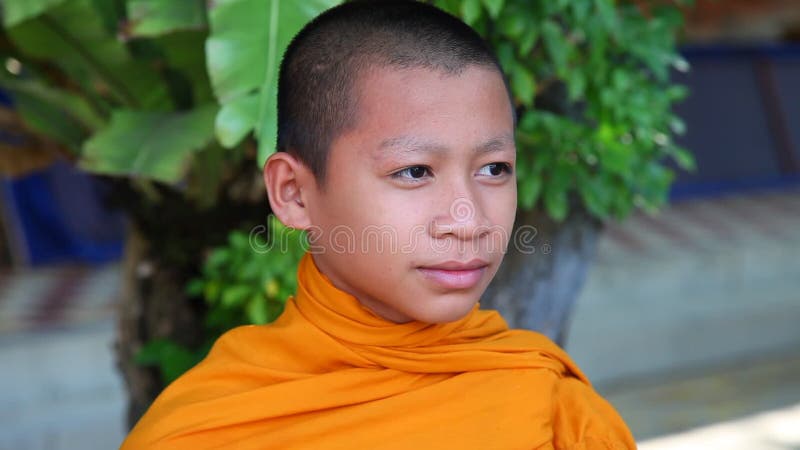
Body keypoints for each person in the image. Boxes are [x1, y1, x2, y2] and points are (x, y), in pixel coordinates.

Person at [120, 1, 636, 448]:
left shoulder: (554, 413)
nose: (468, 220)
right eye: (414, 172)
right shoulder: (203, 431)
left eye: (494, 169)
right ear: (294, 194)